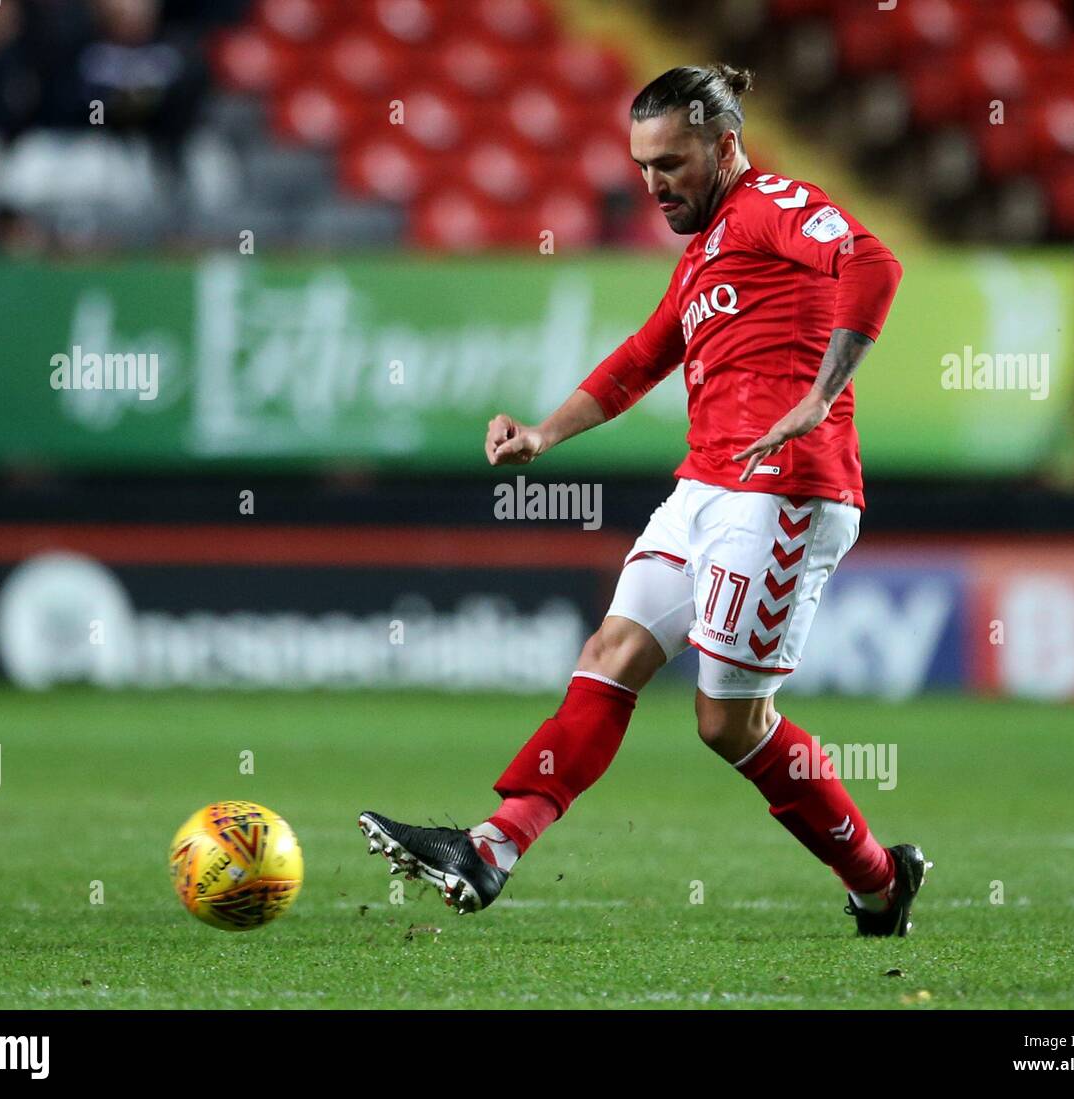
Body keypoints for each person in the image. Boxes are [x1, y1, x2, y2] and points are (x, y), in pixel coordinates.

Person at [361, 64, 927, 936]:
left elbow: (874, 262)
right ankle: (491, 846)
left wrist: (819, 395)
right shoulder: (704, 251)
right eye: (642, 167)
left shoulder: (773, 202)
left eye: (671, 163)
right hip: (704, 486)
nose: (654, 184)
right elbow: (641, 358)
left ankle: (882, 880)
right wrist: (544, 435)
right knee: (613, 647)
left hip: (786, 490)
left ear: (725, 145)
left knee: (728, 722)